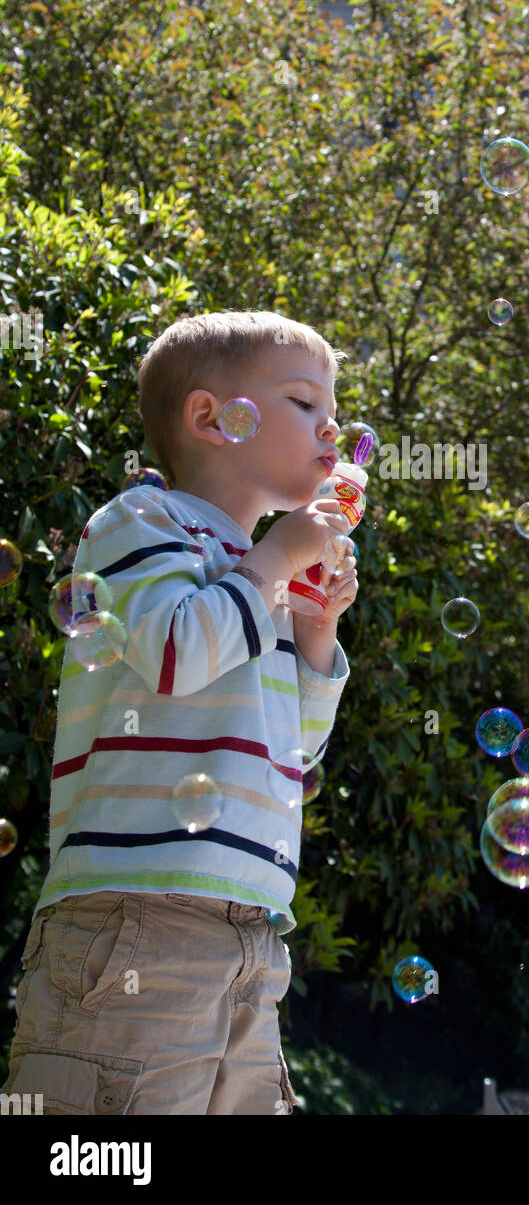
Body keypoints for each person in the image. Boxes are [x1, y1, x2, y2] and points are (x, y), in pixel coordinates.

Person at [1, 310, 357, 1114]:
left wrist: (314, 634)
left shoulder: (261, 579)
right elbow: (173, 653)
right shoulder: (142, 523)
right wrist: (276, 559)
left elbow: (293, 754)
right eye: (305, 400)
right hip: (136, 914)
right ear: (211, 418)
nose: (332, 424)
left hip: (253, 935)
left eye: (332, 406)